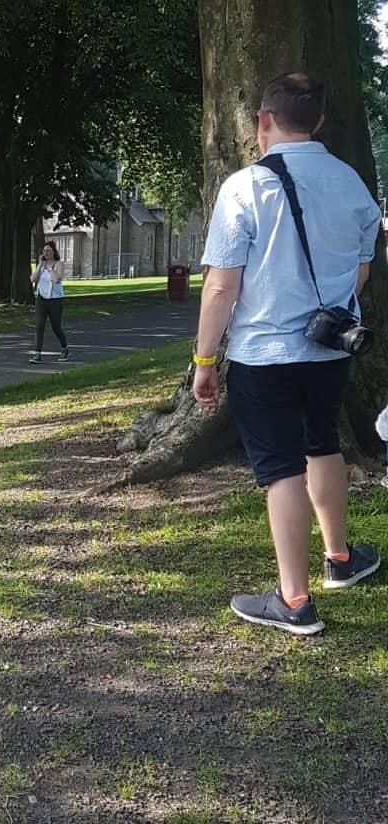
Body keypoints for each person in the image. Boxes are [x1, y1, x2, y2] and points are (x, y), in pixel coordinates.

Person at [193, 72, 382, 635]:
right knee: (322, 443)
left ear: (263, 121)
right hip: (329, 350)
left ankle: (293, 601)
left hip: (263, 353)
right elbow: (362, 268)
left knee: (280, 470)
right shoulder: (352, 184)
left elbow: (222, 286)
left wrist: (205, 361)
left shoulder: (244, 187)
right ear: (319, 122)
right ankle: (341, 559)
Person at [29, 242, 69, 364]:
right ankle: (37, 353)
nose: (46, 253)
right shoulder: (42, 265)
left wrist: (49, 268)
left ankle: (64, 348)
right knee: (39, 325)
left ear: (54, 252)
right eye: (45, 251)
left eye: (49, 251)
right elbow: (33, 279)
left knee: (56, 327)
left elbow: (56, 279)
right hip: (42, 299)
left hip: (55, 300)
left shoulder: (59, 264)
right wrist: (41, 265)